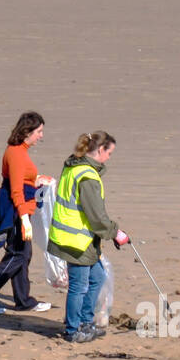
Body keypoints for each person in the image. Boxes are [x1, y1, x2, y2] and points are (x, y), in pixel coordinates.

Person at [47, 131, 130, 344]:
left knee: (98, 278)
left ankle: (85, 321)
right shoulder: (87, 176)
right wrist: (115, 232)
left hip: (79, 238)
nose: (110, 157)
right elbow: (96, 217)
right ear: (100, 150)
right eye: (109, 153)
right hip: (75, 240)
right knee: (79, 285)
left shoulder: (74, 166)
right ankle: (73, 329)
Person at [0, 111, 55, 316]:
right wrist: (24, 219)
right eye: (39, 131)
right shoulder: (17, 153)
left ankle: (23, 300)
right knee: (18, 254)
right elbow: (16, 189)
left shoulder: (20, 150)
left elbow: (22, 179)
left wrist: (37, 180)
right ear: (27, 131)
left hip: (20, 207)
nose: (41, 136)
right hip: (15, 210)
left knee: (22, 254)